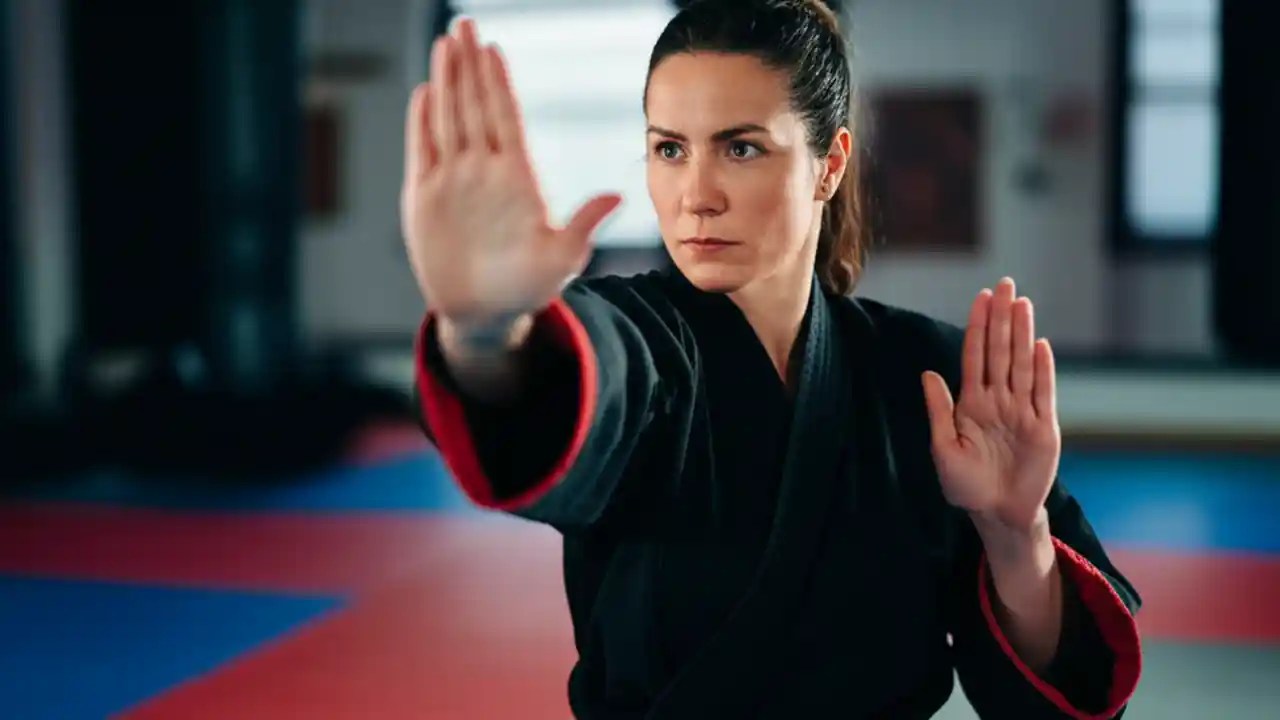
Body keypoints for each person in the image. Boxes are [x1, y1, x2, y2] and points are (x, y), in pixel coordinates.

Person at [402, 1, 1142, 717]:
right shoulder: (639, 338)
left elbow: (1067, 682)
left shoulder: (930, 382)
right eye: (669, 148)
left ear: (829, 164)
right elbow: (578, 382)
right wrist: (486, 331)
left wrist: (1015, 535)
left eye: (742, 147)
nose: (696, 195)